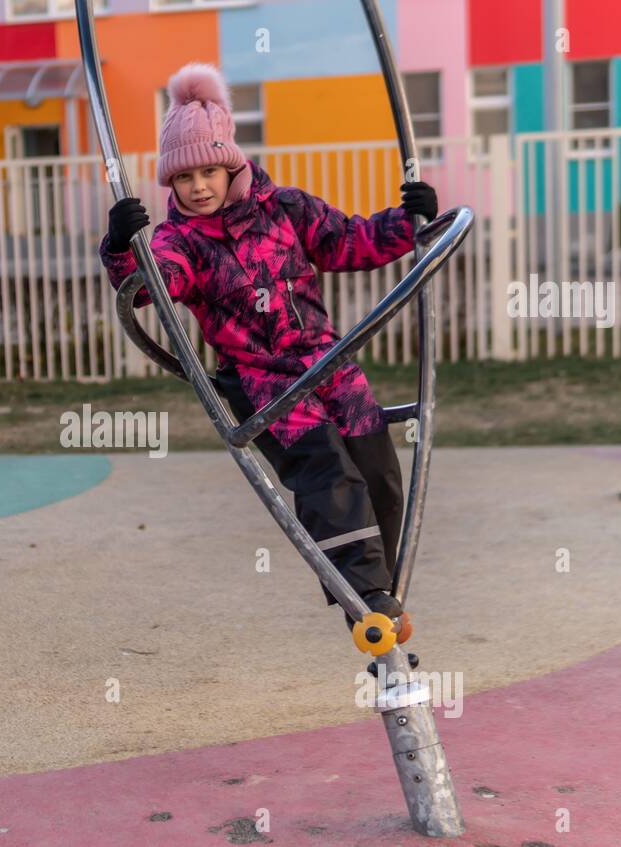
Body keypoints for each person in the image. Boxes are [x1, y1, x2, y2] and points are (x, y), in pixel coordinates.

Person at [98, 62, 438, 632]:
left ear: (231, 163)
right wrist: (121, 247)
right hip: (266, 382)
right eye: (184, 179)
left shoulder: (287, 208)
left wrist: (410, 221)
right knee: (327, 471)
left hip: (329, 363)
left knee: (375, 464)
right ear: (171, 184)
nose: (198, 187)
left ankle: (384, 587)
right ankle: (366, 593)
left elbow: (350, 241)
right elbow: (150, 287)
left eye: (208, 170)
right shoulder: (179, 240)